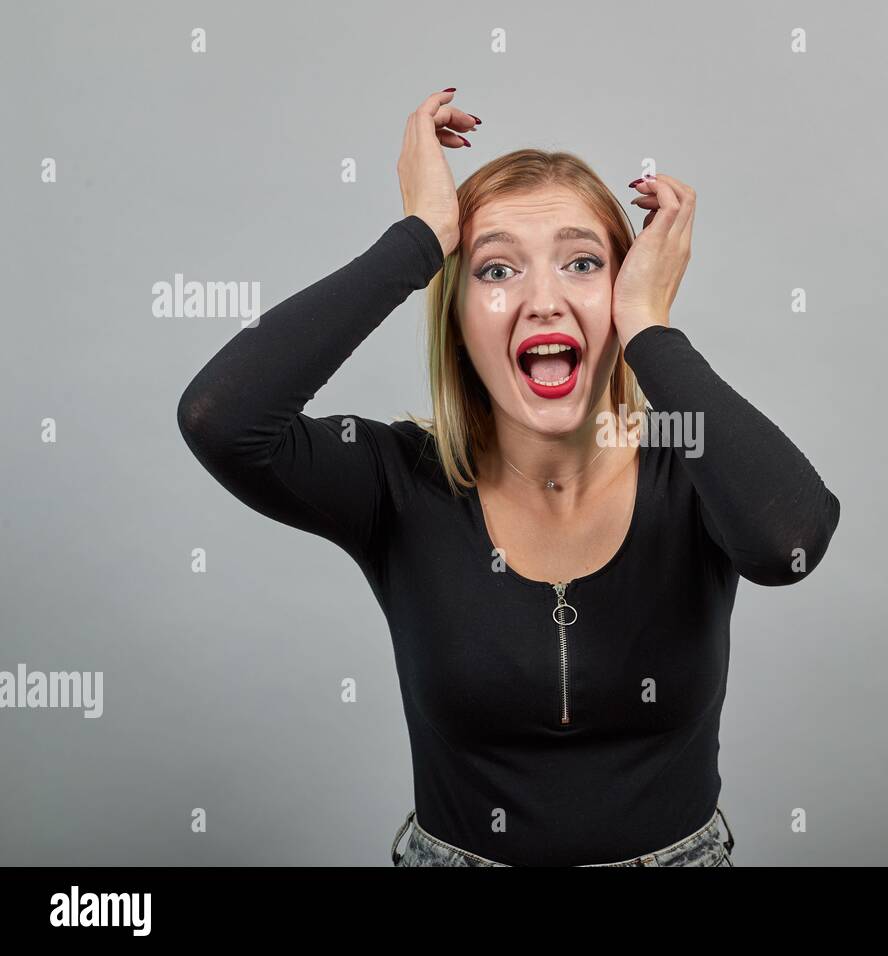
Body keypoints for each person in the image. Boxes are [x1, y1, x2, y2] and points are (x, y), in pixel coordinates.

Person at [177, 89, 841, 866]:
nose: (544, 301)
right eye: (496, 269)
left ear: (624, 291)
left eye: (583, 264)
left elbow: (788, 541)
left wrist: (651, 331)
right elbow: (221, 419)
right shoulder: (397, 479)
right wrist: (421, 237)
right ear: (458, 315)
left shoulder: (692, 465)